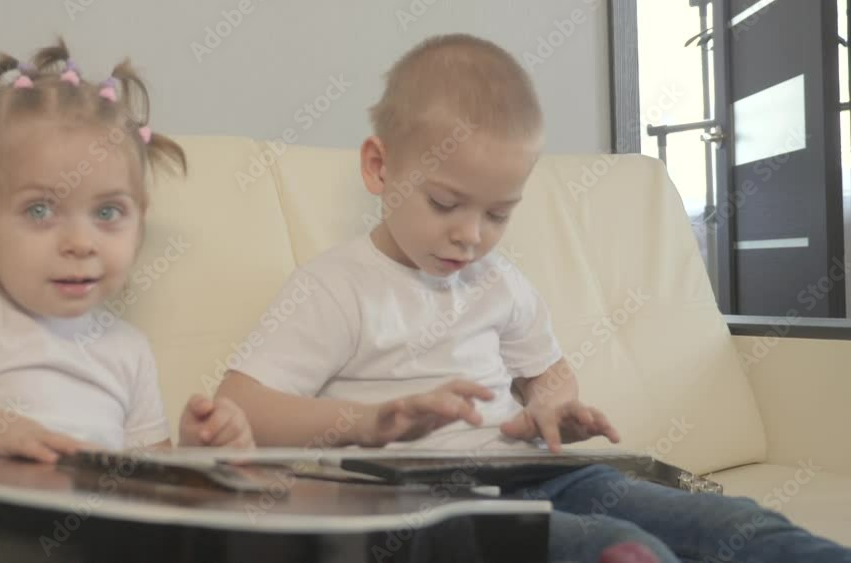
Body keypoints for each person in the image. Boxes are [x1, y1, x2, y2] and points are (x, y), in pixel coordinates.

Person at [213, 33, 851, 562]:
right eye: (444, 203)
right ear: (380, 168)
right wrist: (373, 423)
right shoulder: (336, 286)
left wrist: (553, 408)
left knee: (739, 526)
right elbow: (237, 408)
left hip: (545, 474)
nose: (470, 236)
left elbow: (548, 374)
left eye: (498, 214)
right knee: (615, 548)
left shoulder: (501, 283)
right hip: (420, 501)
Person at [0, 39, 252, 464]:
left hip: (91, 530)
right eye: (39, 209)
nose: (80, 243)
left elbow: (147, 487)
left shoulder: (128, 350)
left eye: (109, 211)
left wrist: (198, 453)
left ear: (140, 222)